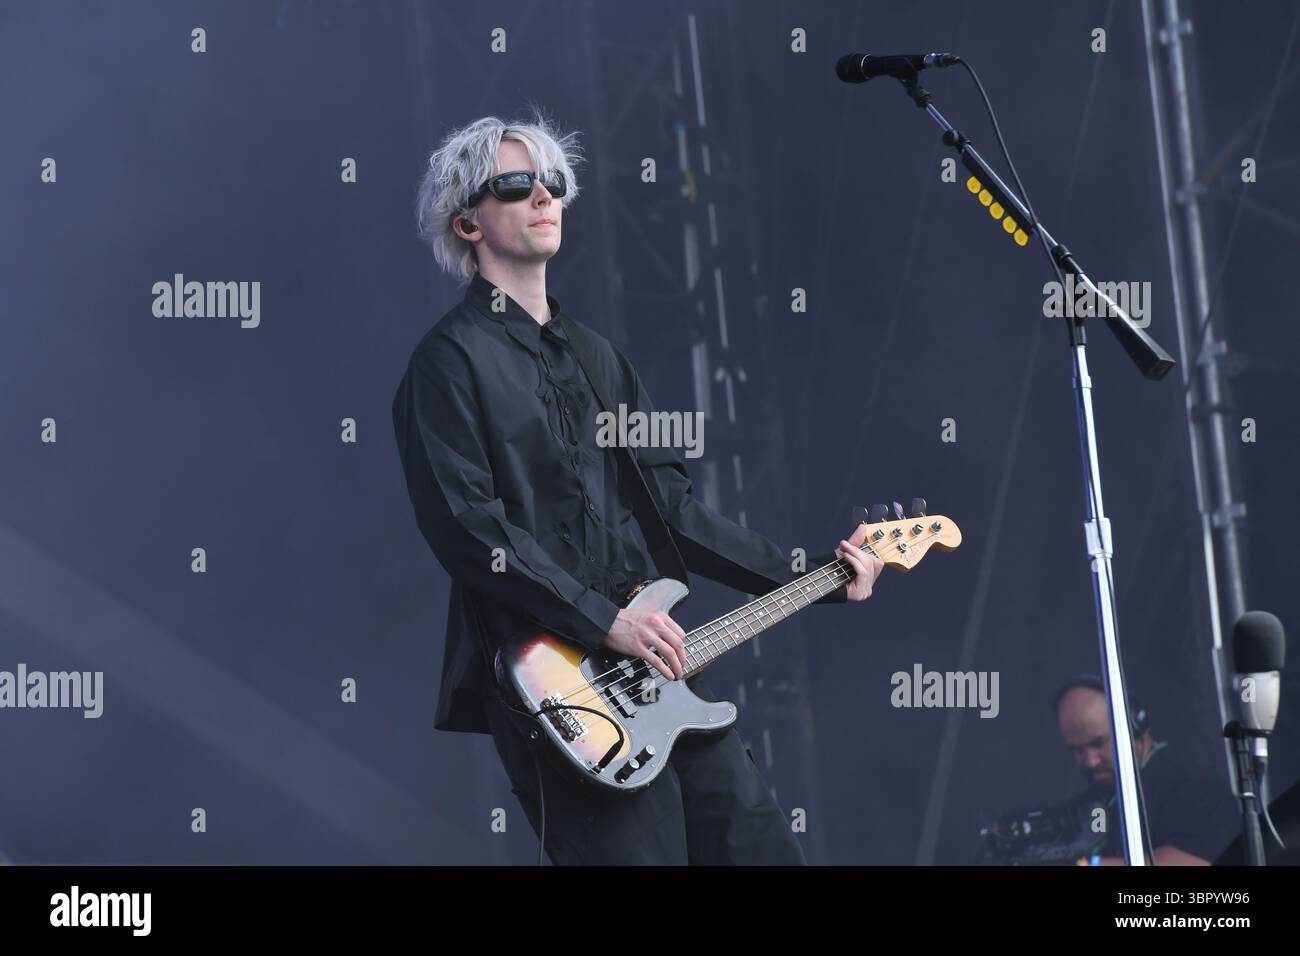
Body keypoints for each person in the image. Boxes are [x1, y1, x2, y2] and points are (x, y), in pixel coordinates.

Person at [392, 107, 884, 865]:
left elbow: (678, 512)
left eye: (552, 183)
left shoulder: (600, 358)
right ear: (467, 224)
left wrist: (816, 574)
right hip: (561, 689)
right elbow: (469, 530)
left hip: (662, 673)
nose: (543, 197)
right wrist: (602, 620)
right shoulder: (447, 364)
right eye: (516, 185)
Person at [1054, 674, 1238, 865]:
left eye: (1099, 742)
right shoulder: (1089, 805)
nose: (1090, 761)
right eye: (1077, 750)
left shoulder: (1196, 786)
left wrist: (1084, 864)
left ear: (1135, 724)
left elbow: (1191, 862)